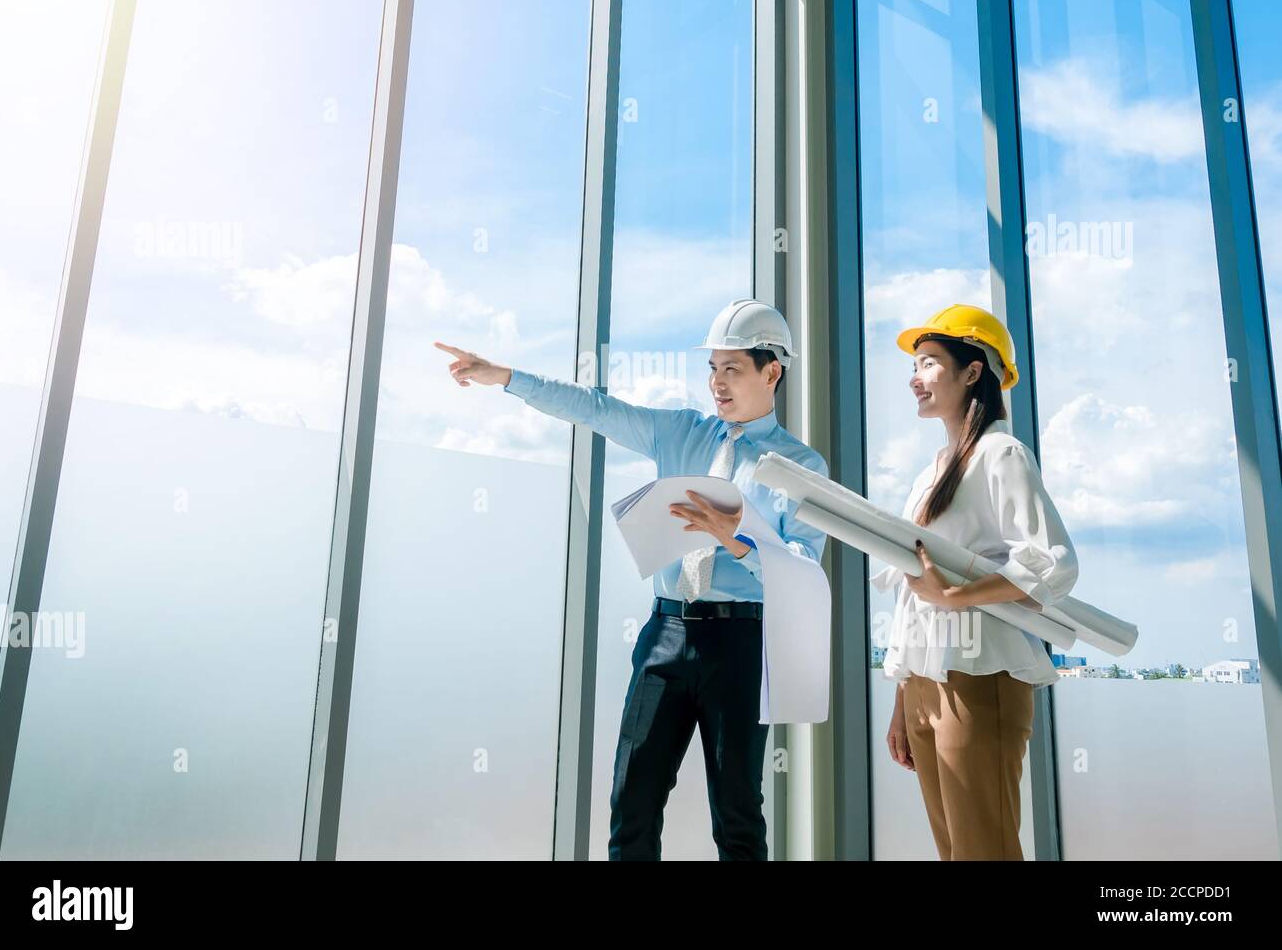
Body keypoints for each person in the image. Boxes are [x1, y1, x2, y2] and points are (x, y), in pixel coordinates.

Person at [435, 299, 829, 860]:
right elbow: (595, 408)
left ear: (773, 372)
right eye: (712, 369)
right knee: (633, 799)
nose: (717, 383)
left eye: (732, 369)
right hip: (665, 634)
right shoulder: (678, 432)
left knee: (738, 811)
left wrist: (735, 537)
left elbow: (803, 565)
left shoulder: (802, 466)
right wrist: (504, 378)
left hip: (742, 643)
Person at [874, 303, 1078, 861]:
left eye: (929, 363)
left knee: (983, 851)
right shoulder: (934, 468)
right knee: (955, 853)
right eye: (914, 366)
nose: (915, 378)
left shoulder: (1000, 454)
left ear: (973, 372)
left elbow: (1050, 561)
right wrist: (903, 701)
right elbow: (916, 587)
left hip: (978, 676)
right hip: (926, 681)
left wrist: (957, 596)